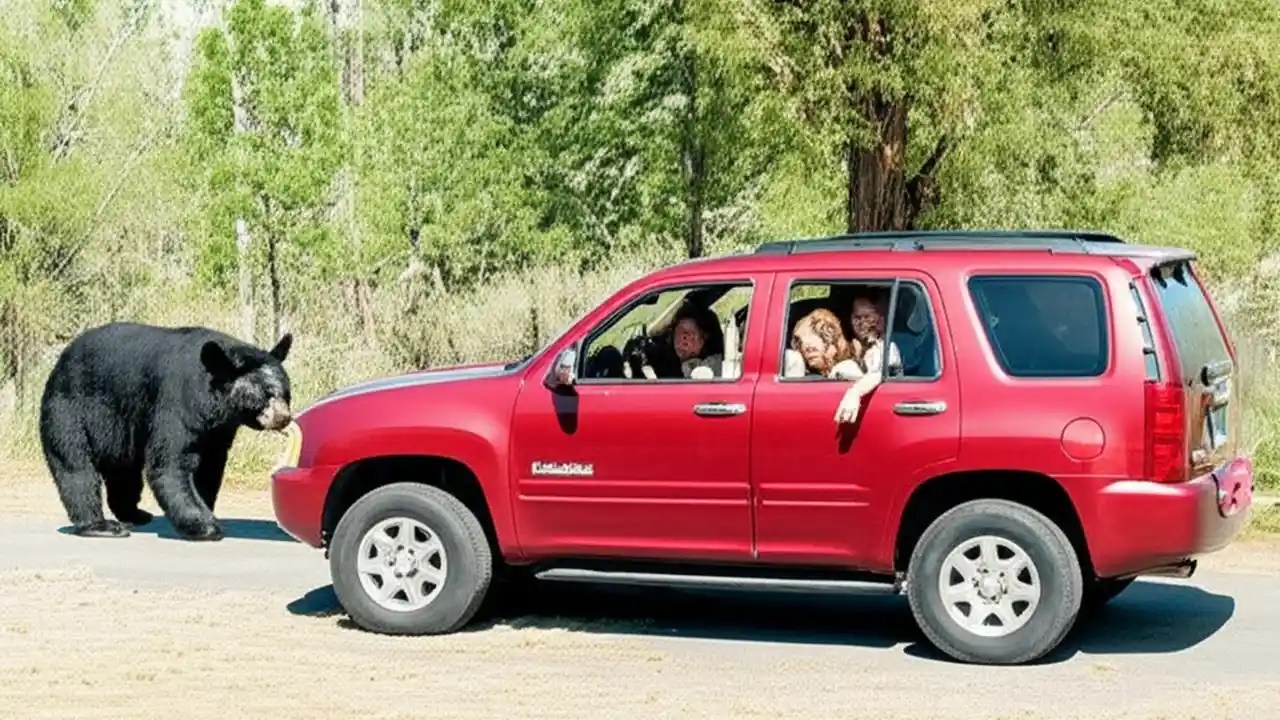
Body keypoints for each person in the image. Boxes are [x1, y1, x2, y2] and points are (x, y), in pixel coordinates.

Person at [833, 290, 902, 424]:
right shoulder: (847, 347)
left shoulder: (888, 349)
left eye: (867, 317)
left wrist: (855, 392)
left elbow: (880, 374)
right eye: (857, 317)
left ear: (881, 321)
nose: (861, 322)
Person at [785, 308, 862, 379]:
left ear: (834, 342)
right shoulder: (796, 371)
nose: (807, 346)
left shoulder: (847, 369)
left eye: (818, 335)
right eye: (801, 341)